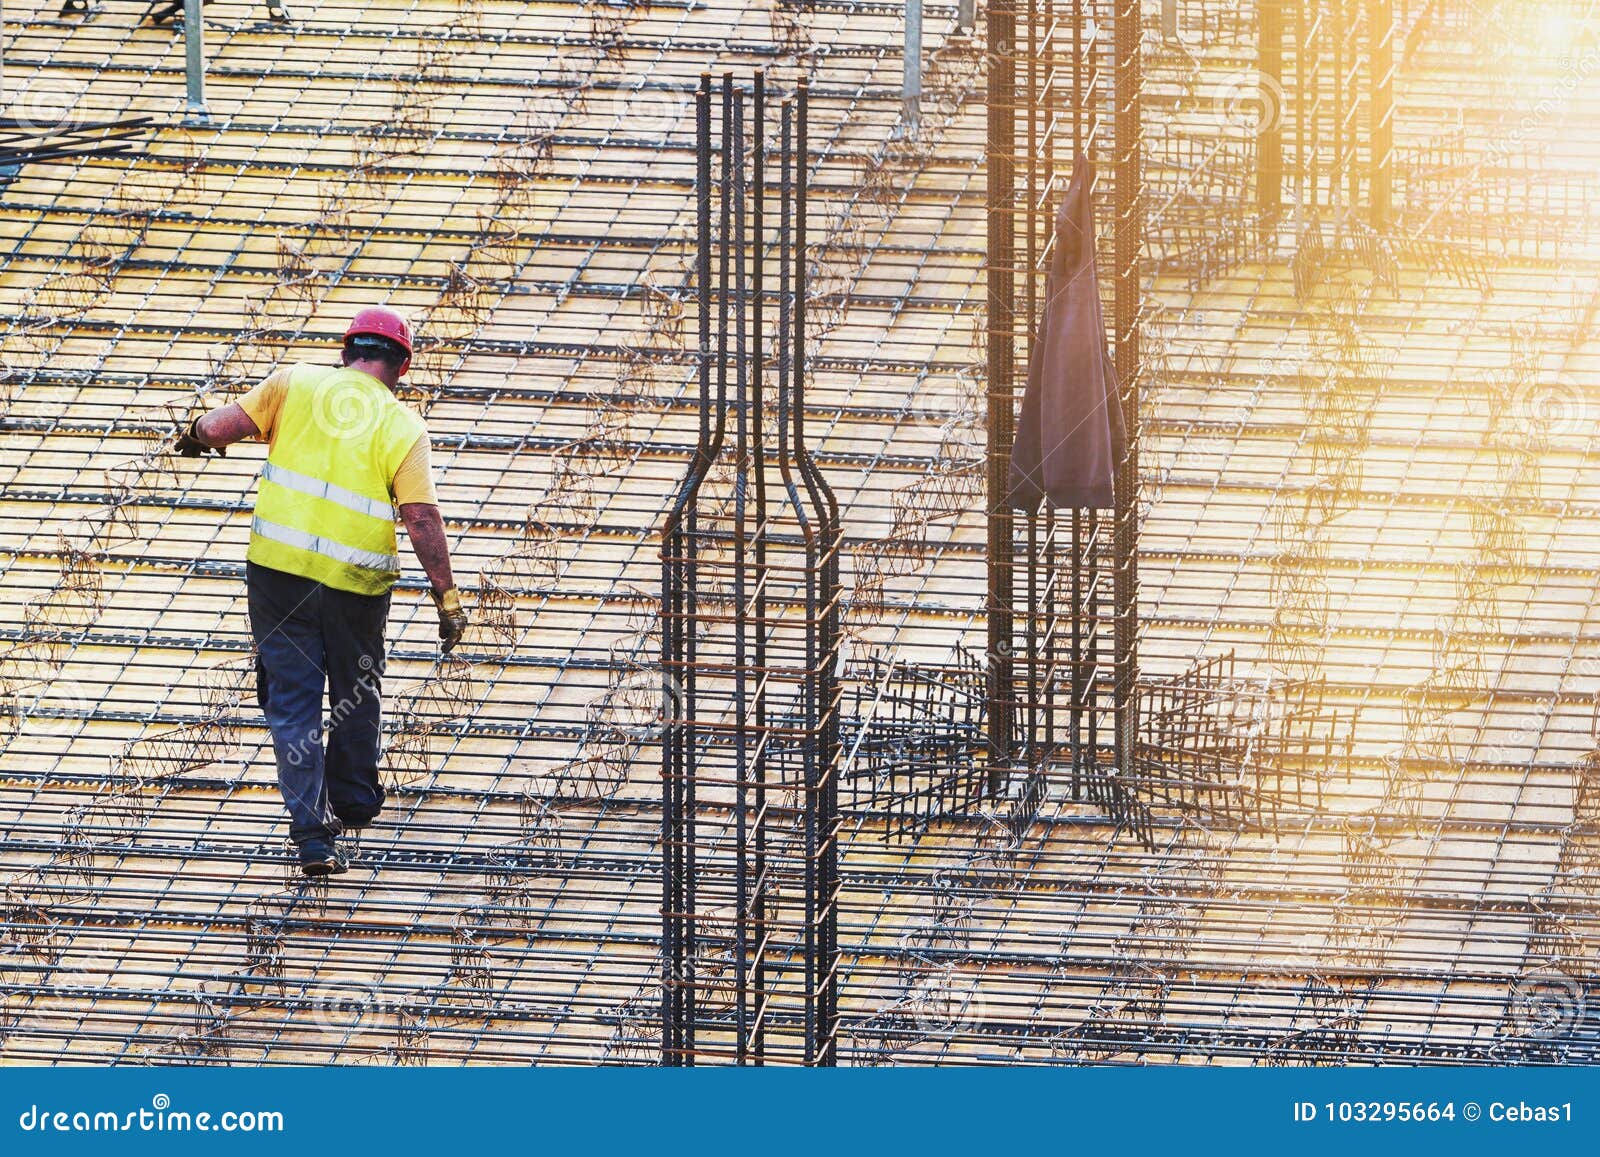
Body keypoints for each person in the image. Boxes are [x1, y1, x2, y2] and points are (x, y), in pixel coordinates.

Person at [174, 307, 468, 877]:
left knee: (293, 703)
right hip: (356, 589)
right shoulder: (404, 428)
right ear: (402, 367)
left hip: (279, 580)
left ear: (344, 351)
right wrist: (446, 598)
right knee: (356, 690)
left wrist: (194, 435)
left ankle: (312, 834)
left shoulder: (293, 382)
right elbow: (422, 519)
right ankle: (355, 799)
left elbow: (217, 428)